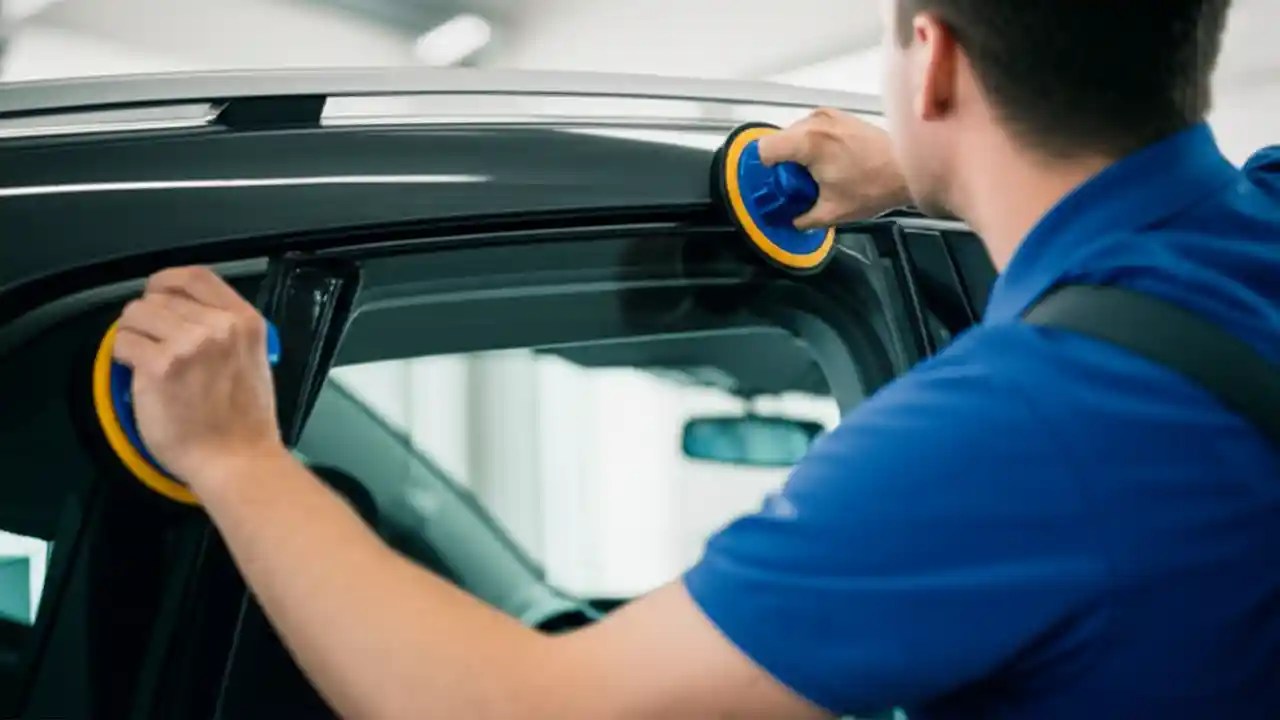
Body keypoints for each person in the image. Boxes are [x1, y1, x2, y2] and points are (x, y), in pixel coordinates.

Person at [111, 0, 1279, 717]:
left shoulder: (1012, 440)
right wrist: (934, 166)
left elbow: (528, 714)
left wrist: (237, 456)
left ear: (931, 63)